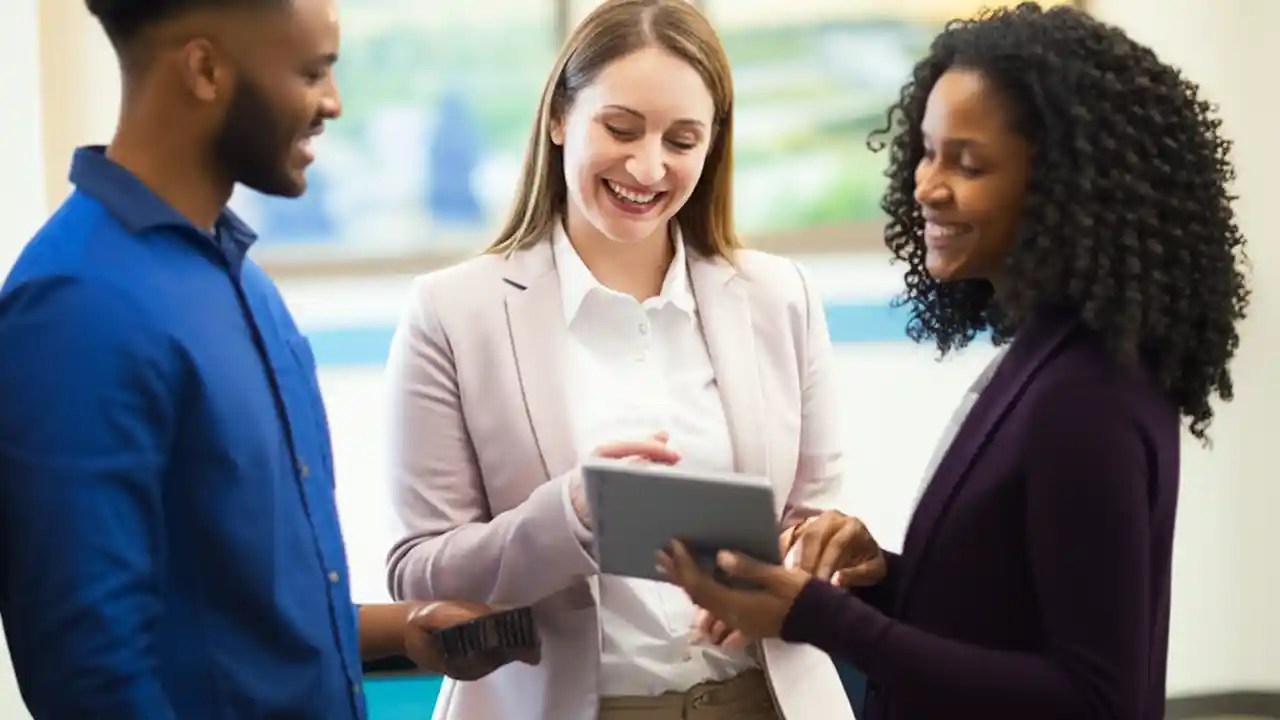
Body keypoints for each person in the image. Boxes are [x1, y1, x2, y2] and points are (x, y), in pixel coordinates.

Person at [657, 4, 1249, 720]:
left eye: (968, 164)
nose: (926, 185)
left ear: (1063, 185)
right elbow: (1002, 617)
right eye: (927, 152)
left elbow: (1095, 699)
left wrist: (818, 616)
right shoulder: (1047, 359)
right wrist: (878, 577)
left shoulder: (1088, 395)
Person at [0, 1, 528, 717]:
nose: (333, 103)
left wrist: (405, 628)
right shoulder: (76, 303)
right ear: (205, 69)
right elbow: (91, 673)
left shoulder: (243, 284)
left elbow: (241, 612)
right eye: (311, 73)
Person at [383, 1, 865, 718]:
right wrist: (571, 515)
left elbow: (810, 521)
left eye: (682, 139)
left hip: (761, 699)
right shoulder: (453, 312)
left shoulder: (780, 296)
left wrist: (791, 573)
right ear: (558, 118)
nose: (648, 166)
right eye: (620, 128)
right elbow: (418, 573)